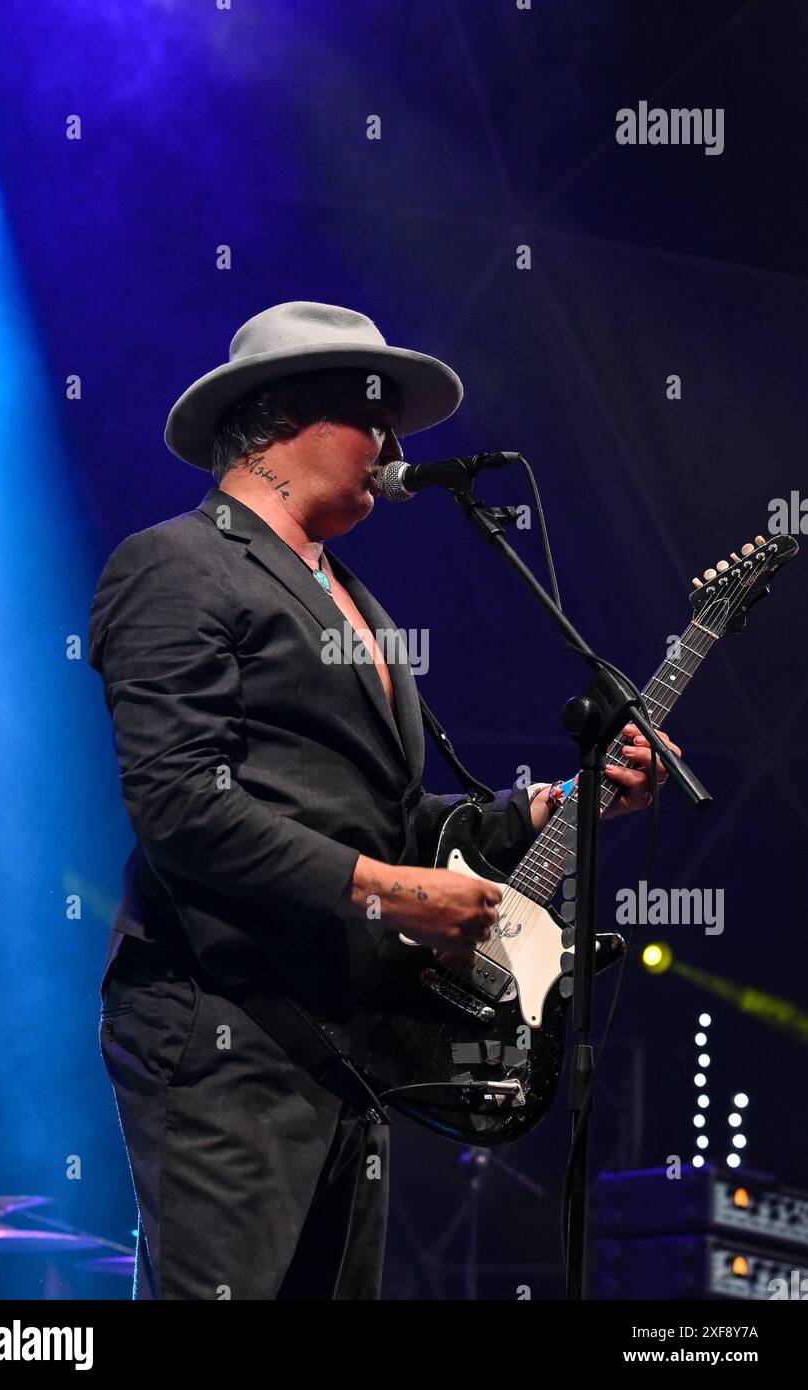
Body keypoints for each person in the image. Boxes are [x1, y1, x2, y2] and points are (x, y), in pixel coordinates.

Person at [89, 300, 679, 1300]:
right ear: (278, 417)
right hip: (225, 1026)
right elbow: (181, 804)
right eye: (374, 416)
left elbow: (399, 825)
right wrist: (393, 895)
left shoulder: (355, 601)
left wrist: (559, 808)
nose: (395, 447)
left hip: (352, 1044)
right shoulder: (174, 564)